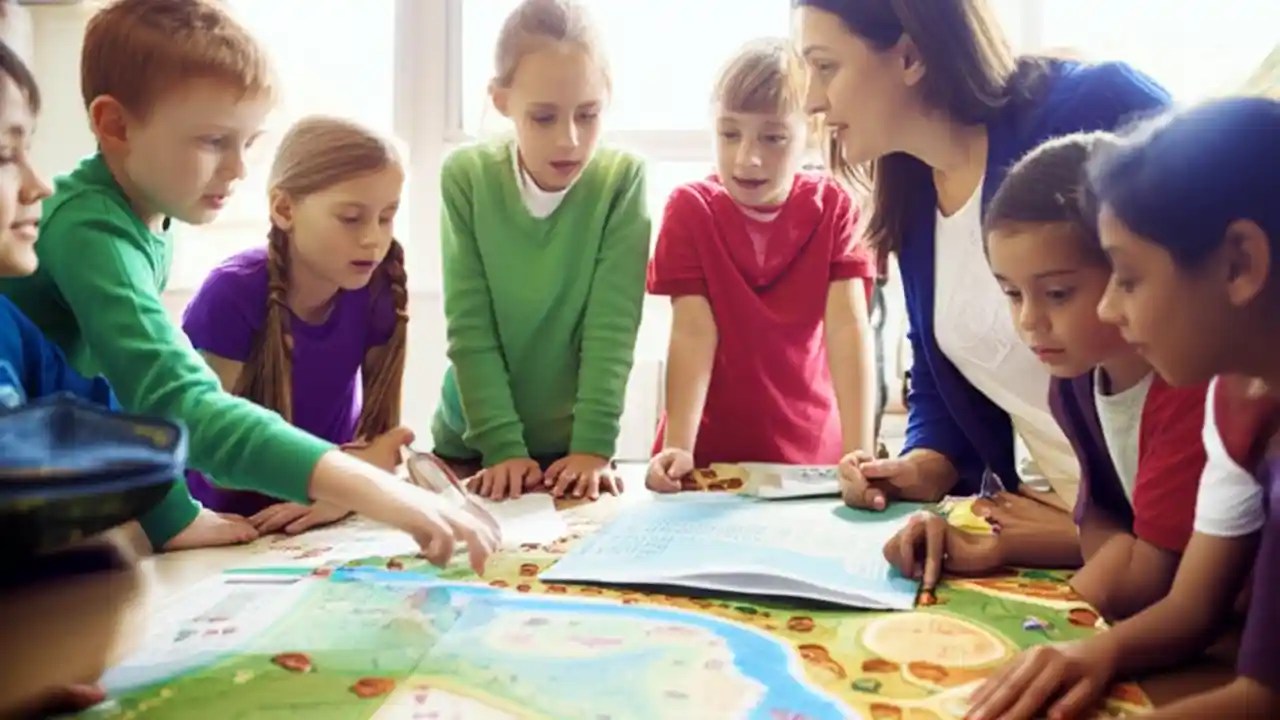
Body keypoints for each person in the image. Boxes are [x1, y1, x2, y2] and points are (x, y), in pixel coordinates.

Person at [0, 0, 498, 566]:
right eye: (213, 141)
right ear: (115, 126)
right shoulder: (89, 229)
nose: (238, 168)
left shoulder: (150, 215)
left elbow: (111, 387)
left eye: (248, 142)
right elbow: (176, 397)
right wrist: (380, 491)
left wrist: (173, 516)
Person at [793, 0, 1170, 518]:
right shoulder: (912, 189)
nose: (811, 100)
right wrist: (921, 465)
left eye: (825, 67)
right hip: (1066, 520)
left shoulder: (1097, 105)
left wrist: (1086, 538)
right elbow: (940, 370)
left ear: (909, 57)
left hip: (1180, 530)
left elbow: (1220, 290)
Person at [967, 96, 1280, 720]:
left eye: (1128, 279)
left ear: (1241, 264)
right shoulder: (1235, 401)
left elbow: (1263, 699)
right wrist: (1096, 654)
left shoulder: (1204, 400)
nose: (1110, 309)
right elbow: (1191, 608)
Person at [882, 133, 1206, 618]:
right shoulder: (1073, 385)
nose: (1030, 321)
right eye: (1012, 294)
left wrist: (1054, 626)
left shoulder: (1188, 391)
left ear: (1125, 271)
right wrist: (997, 547)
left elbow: (1149, 575)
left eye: (1057, 294)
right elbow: (1102, 529)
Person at [433, 0, 649, 502]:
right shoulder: (466, 177)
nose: (569, 140)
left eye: (588, 115)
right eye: (544, 117)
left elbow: (611, 330)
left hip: (576, 453)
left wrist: (595, 447)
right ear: (502, 100)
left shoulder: (621, 182)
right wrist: (502, 446)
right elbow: (470, 326)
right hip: (474, 445)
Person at [645, 37, 876, 491]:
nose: (747, 157)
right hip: (707, 458)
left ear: (810, 132)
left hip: (812, 461)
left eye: (773, 138)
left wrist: (860, 454)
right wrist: (678, 447)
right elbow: (692, 331)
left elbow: (848, 329)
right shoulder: (690, 209)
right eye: (730, 134)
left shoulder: (837, 207)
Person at [182, 116, 412, 535]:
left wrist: (342, 495)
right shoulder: (231, 293)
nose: (373, 240)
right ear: (284, 208)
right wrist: (345, 481)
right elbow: (206, 453)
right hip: (230, 522)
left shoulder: (375, 288)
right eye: (351, 218)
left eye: (386, 217)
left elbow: (385, 442)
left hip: (326, 514)